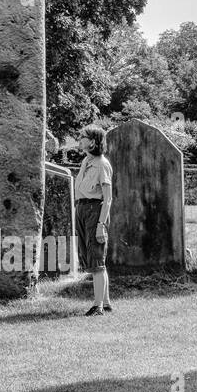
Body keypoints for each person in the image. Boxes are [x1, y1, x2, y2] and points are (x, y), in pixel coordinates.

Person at [74, 124, 113, 316]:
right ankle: (105, 302)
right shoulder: (85, 161)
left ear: (93, 141)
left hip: (94, 210)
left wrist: (101, 225)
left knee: (97, 259)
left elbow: (108, 198)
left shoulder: (102, 164)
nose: (80, 139)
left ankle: (97, 306)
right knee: (92, 258)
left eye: (83, 136)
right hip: (81, 207)